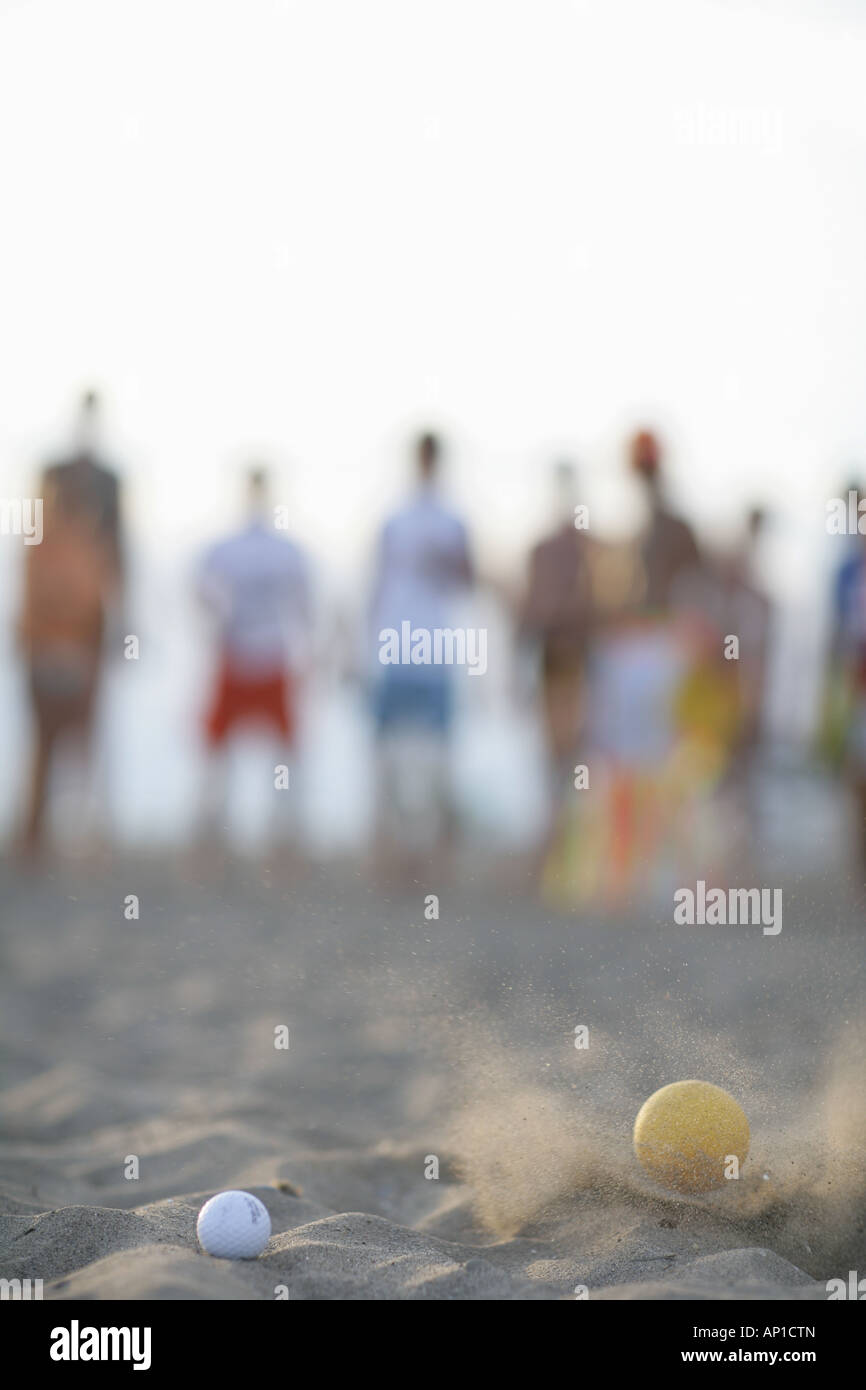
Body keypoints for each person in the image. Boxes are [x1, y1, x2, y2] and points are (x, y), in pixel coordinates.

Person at [17, 390, 124, 852]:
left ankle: (81, 835)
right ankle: (36, 835)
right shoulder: (42, 540)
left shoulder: (102, 502)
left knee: (82, 741)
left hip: (80, 641)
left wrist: (115, 627)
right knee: (46, 741)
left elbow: (113, 569)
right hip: (49, 643)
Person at [368, 431, 473, 862]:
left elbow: (468, 579)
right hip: (398, 645)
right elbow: (377, 583)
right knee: (386, 753)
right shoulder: (397, 519)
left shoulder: (451, 521)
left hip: (434, 648)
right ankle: (387, 847)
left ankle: (437, 853)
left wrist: (445, 562)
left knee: (439, 756)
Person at [197, 465, 312, 843]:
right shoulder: (282, 550)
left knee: (275, 752)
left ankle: (279, 831)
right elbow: (304, 608)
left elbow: (201, 596)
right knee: (222, 753)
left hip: (261, 654)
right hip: (249, 654)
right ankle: (219, 831)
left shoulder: (229, 549)